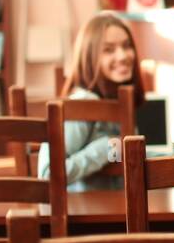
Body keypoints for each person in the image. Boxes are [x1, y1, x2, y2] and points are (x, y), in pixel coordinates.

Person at [38, 13, 145, 192]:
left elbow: (125, 158)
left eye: (127, 46)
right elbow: (47, 174)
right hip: (84, 214)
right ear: (89, 56)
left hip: (119, 209)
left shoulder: (120, 102)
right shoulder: (83, 103)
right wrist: (107, 147)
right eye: (109, 50)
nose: (123, 56)